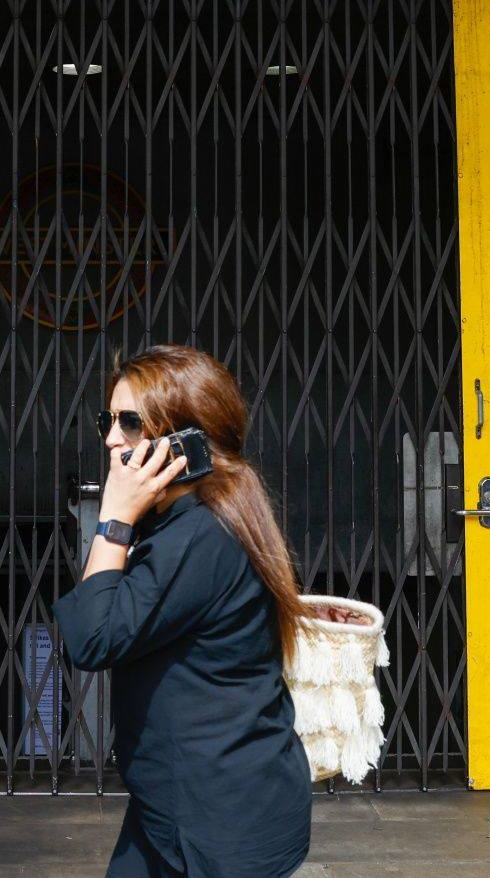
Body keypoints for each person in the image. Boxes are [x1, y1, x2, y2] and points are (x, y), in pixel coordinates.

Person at [55, 344, 356, 878]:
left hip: (216, 827)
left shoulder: (199, 533)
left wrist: (114, 519)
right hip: (183, 808)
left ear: (184, 439)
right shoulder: (208, 515)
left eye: (130, 422)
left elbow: (92, 639)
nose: (109, 438)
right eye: (108, 418)